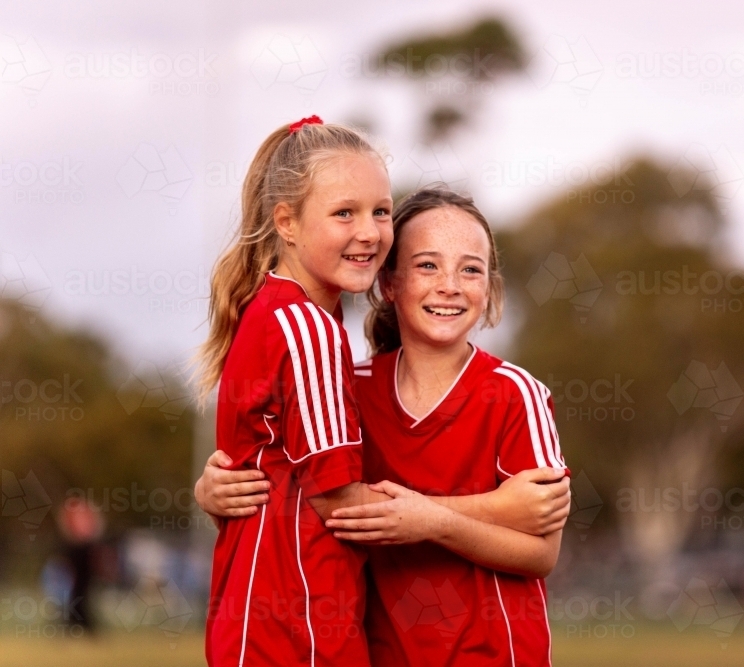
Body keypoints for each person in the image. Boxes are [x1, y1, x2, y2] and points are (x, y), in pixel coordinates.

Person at [196, 117, 570, 666]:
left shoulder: (516, 394)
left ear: (490, 291)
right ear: (389, 284)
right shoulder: (333, 358)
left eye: (379, 211)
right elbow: (332, 503)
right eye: (426, 266)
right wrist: (494, 507)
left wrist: (220, 489)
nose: (448, 285)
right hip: (306, 632)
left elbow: (541, 551)